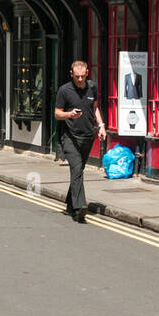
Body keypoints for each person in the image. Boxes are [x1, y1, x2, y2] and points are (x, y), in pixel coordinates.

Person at [54, 60, 106, 224]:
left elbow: (94, 107)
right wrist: (69, 115)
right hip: (69, 136)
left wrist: (101, 126)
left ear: (87, 73)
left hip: (88, 136)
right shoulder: (64, 90)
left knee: (79, 170)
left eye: (83, 76)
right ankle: (80, 207)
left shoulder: (92, 87)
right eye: (77, 77)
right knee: (76, 169)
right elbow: (57, 113)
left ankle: (70, 204)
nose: (80, 79)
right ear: (71, 74)